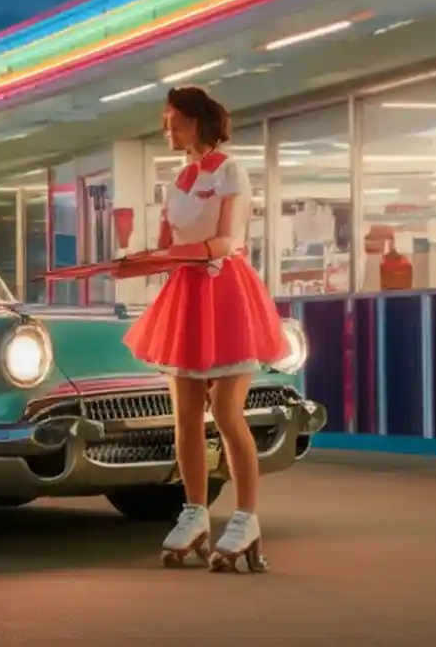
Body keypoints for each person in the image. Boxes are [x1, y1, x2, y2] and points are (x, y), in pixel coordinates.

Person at [120, 86, 288, 572]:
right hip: (186, 295)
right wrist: (134, 263)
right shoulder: (179, 178)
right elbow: (167, 245)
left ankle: (245, 518)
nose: (167, 129)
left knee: (228, 411)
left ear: (197, 122)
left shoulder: (230, 170)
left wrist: (175, 254)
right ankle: (193, 512)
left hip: (226, 291)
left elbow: (226, 240)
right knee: (186, 415)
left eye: (174, 121)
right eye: (166, 121)